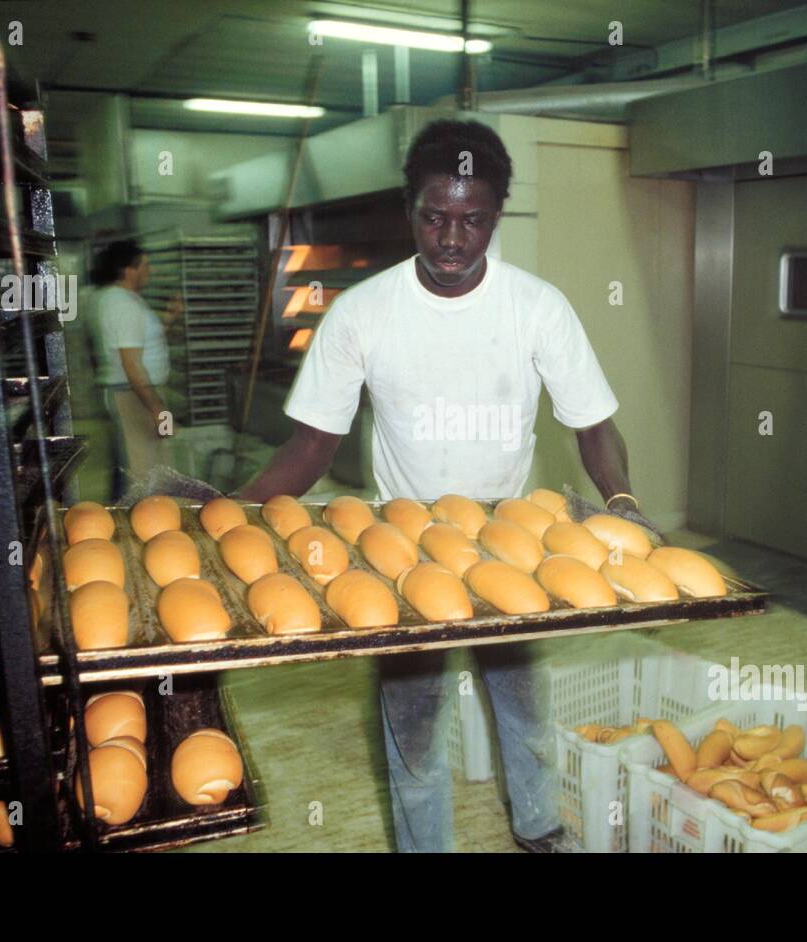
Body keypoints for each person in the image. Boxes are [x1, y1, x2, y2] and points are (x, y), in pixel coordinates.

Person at [235, 119, 642, 852]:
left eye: (473, 220)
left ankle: (539, 826)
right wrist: (231, 514)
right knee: (414, 722)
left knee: (522, 702)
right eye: (435, 216)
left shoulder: (536, 307)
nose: (451, 239)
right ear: (410, 210)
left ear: (496, 217)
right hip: (404, 548)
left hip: (508, 537)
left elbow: (594, 426)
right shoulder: (363, 313)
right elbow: (310, 449)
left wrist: (622, 502)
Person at [89, 239, 182, 497]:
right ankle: (143, 526)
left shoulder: (116, 299)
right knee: (143, 474)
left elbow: (136, 343)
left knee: (136, 466)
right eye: (145, 265)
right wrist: (158, 409)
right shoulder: (123, 305)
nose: (149, 271)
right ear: (129, 270)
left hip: (134, 391)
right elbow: (131, 364)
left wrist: (168, 319)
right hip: (134, 395)